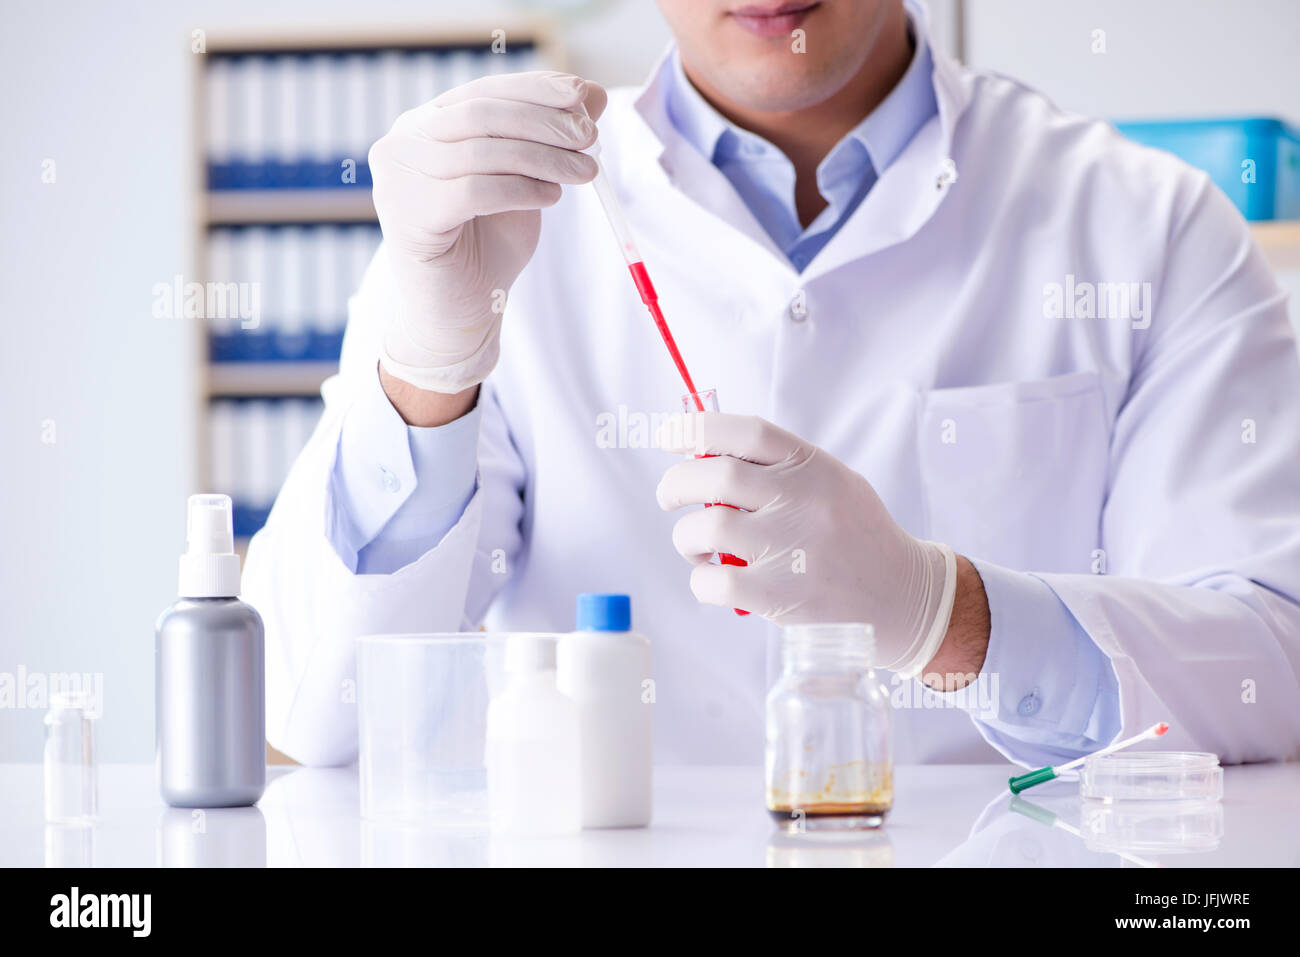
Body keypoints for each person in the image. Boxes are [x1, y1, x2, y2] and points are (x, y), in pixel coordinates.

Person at [242, 0, 1300, 767]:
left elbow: (1272, 663)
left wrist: (948, 616)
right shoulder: (502, 218)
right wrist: (427, 371)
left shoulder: (1148, 224)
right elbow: (315, 707)